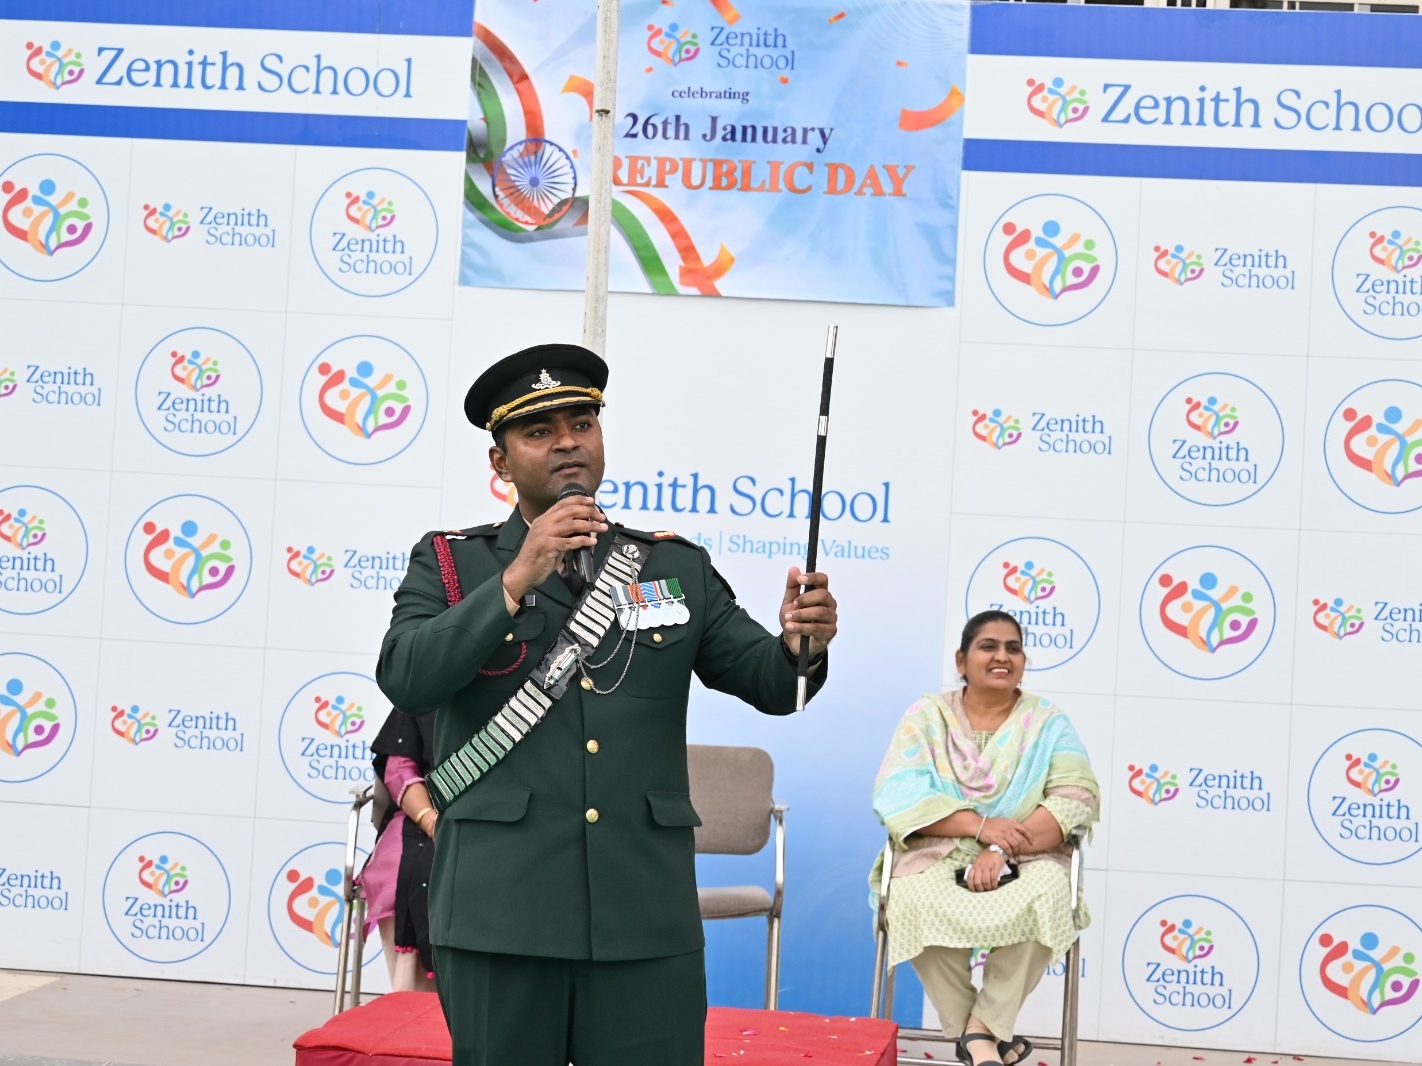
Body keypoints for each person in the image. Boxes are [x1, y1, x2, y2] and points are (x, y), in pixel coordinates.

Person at [375, 342, 838, 1066]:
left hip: (642, 916)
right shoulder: (451, 563)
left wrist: (798, 643)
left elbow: (774, 683)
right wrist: (517, 577)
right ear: (499, 464)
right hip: (502, 913)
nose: (567, 441)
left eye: (582, 422)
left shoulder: (672, 567)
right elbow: (407, 676)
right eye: (538, 431)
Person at [870, 610, 1098, 1066]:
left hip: (1028, 854)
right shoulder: (928, 716)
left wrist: (1001, 846)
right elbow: (899, 795)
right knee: (911, 898)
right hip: (937, 850)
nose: (1002, 656)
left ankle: (979, 1032)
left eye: (1013, 648)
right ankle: (985, 1041)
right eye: (988, 646)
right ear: (962, 658)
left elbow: (1075, 798)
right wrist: (978, 827)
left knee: (1050, 896)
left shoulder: (1048, 722)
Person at [356, 709, 438, 992]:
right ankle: (407, 1001)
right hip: (421, 814)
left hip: (494, 821)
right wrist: (431, 820)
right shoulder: (424, 690)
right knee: (398, 873)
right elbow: (398, 767)